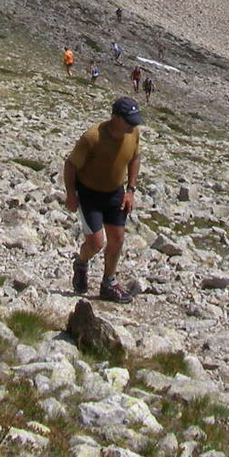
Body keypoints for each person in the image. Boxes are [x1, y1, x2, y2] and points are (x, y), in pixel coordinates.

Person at [63, 96, 144, 303]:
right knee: (96, 243)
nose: (133, 125)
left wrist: (131, 189)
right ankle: (81, 262)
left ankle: (108, 282)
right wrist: (71, 194)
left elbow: (135, 158)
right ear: (115, 118)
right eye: (129, 120)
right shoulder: (92, 137)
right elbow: (71, 165)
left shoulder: (133, 133)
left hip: (115, 192)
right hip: (89, 193)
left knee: (117, 239)